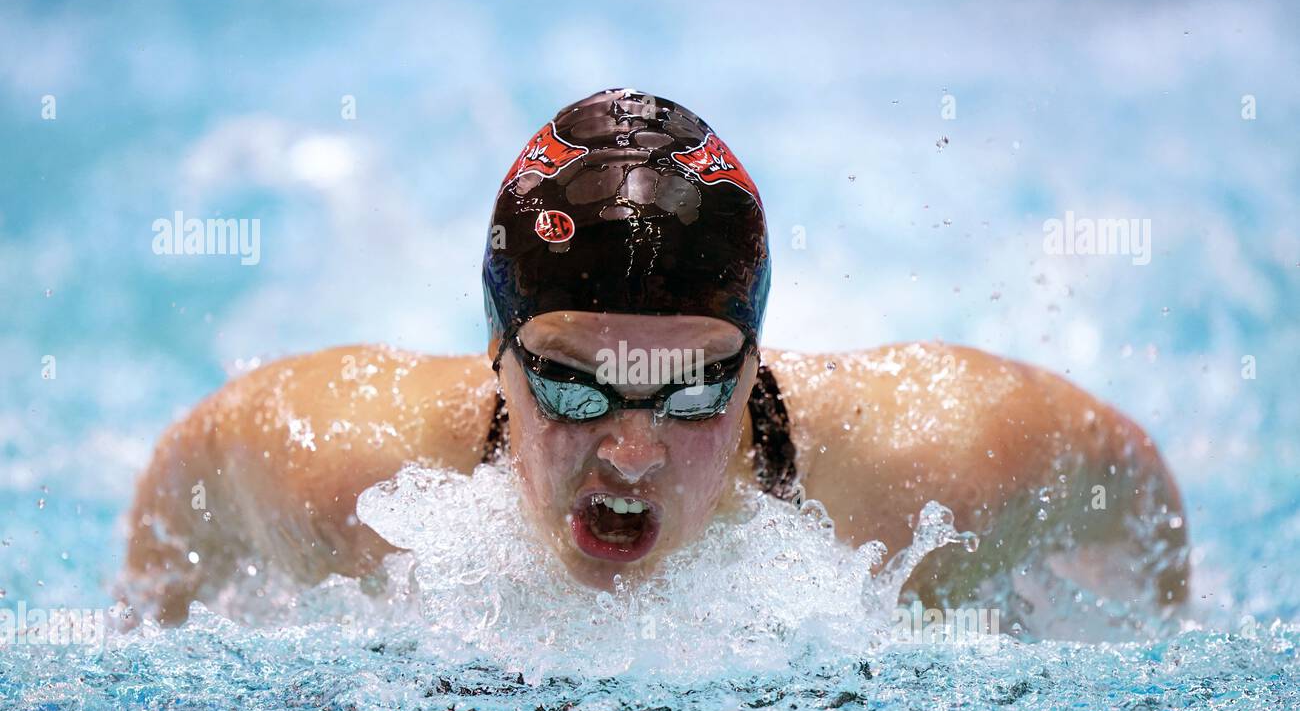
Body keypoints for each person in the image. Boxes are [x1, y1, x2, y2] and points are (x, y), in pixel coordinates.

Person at [121, 88, 1189, 626]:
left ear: (756, 356)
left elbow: (1128, 489)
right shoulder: (340, 471)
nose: (629, 456)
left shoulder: (929, 469)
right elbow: (187, 483)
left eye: (690, 394)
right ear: (494, 352)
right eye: (573, 388)